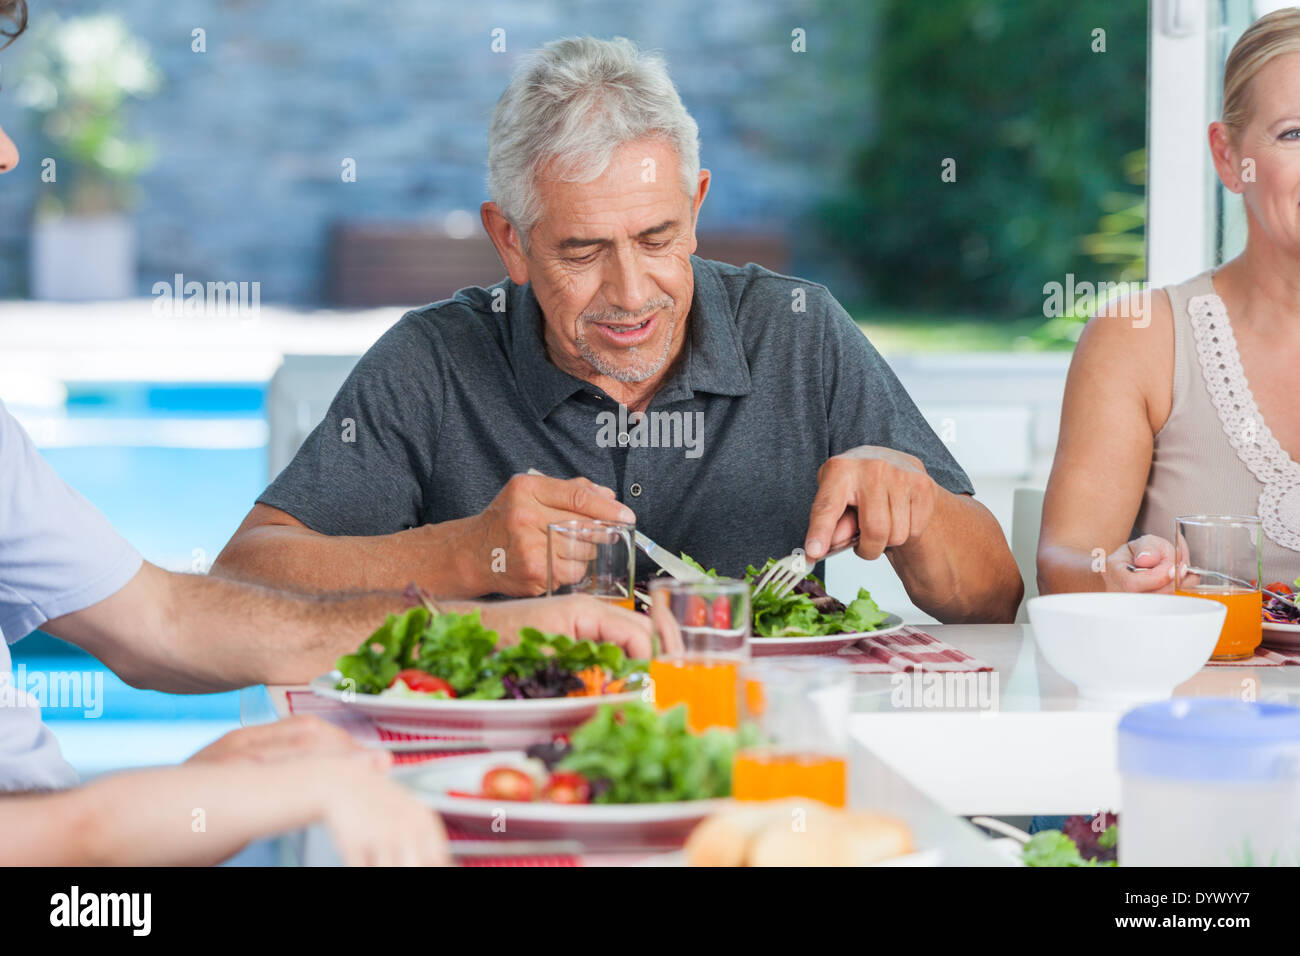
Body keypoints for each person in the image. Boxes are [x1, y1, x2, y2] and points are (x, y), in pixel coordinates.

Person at [0, 0, 652, 865]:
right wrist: (193, 800)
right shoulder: (431, 357)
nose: (7, 150)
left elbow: (160, 622)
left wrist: (481, 632)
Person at [213, 35, 1022, 624]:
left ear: (698, 207)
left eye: (657, 238)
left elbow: (993, 599)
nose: (631, 294)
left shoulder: (798, 330)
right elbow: (243, 578)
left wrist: (914, 508)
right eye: (584, 250)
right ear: (511, 241)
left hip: (763, 766)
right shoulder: (435, 360)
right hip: (514, 779)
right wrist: (466, 551)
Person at [1038, 8, 1300, 595]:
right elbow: (1065, 563)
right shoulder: (1141, 337)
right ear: (1229, 157)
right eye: (1295, 133)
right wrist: (1120, 572)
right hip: (1191, 685)